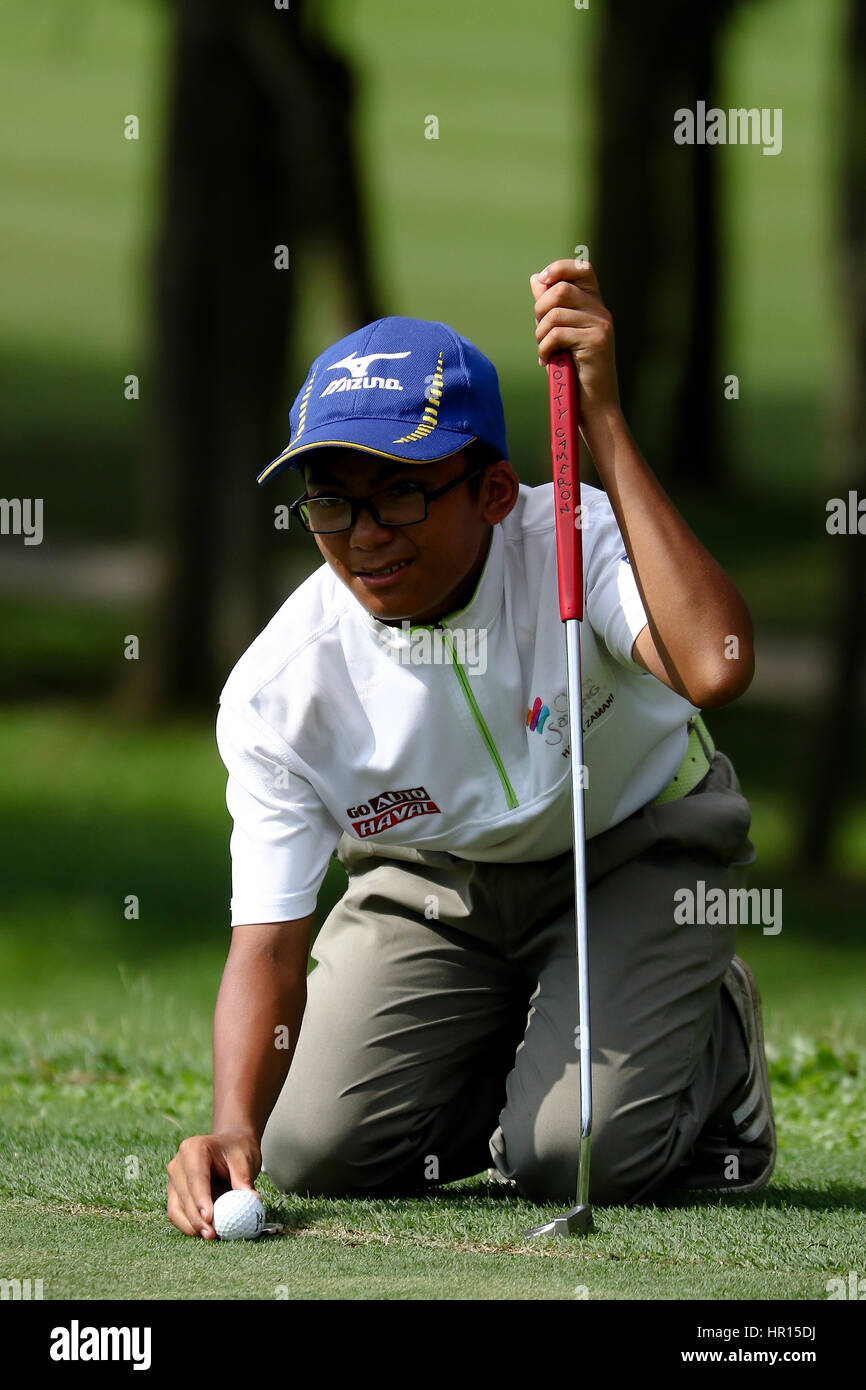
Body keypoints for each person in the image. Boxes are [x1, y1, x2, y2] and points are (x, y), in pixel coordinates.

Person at [166, 258, 775, 1239]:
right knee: (308, 1146)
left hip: (632, 847)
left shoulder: (573, 538)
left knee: (571, 1156)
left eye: (397, 494)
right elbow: (268, 942)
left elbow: (718, 664)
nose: (363, 536)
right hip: (434, 891)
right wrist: (231, 1125)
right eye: (331, 500)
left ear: (493, 489)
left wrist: (605, 426)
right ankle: (548, 1047)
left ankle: (718, 1045)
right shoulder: (281, 685)